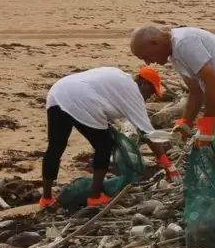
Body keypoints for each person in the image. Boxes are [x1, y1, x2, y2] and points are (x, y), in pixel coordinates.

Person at [130, 26, 215, 204]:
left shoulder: (184, 43)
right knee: (214, 150)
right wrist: (185, 123)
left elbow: (212, 82)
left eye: (146, 56)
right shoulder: (175, 56)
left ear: (154, 42)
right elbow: (196, 92)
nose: (148, 62)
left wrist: (207, 125)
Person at [41, 66, 178, 208]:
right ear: (144, 83)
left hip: (58, 91)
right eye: (151, 91)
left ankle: (46, 198)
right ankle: (95, 197)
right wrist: (166, 163)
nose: (150, 96)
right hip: (82, 98)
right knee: (104, 145)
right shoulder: (133, 92)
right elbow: (149, 133)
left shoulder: (119, 75)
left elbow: (101, 95)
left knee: (56, 146)